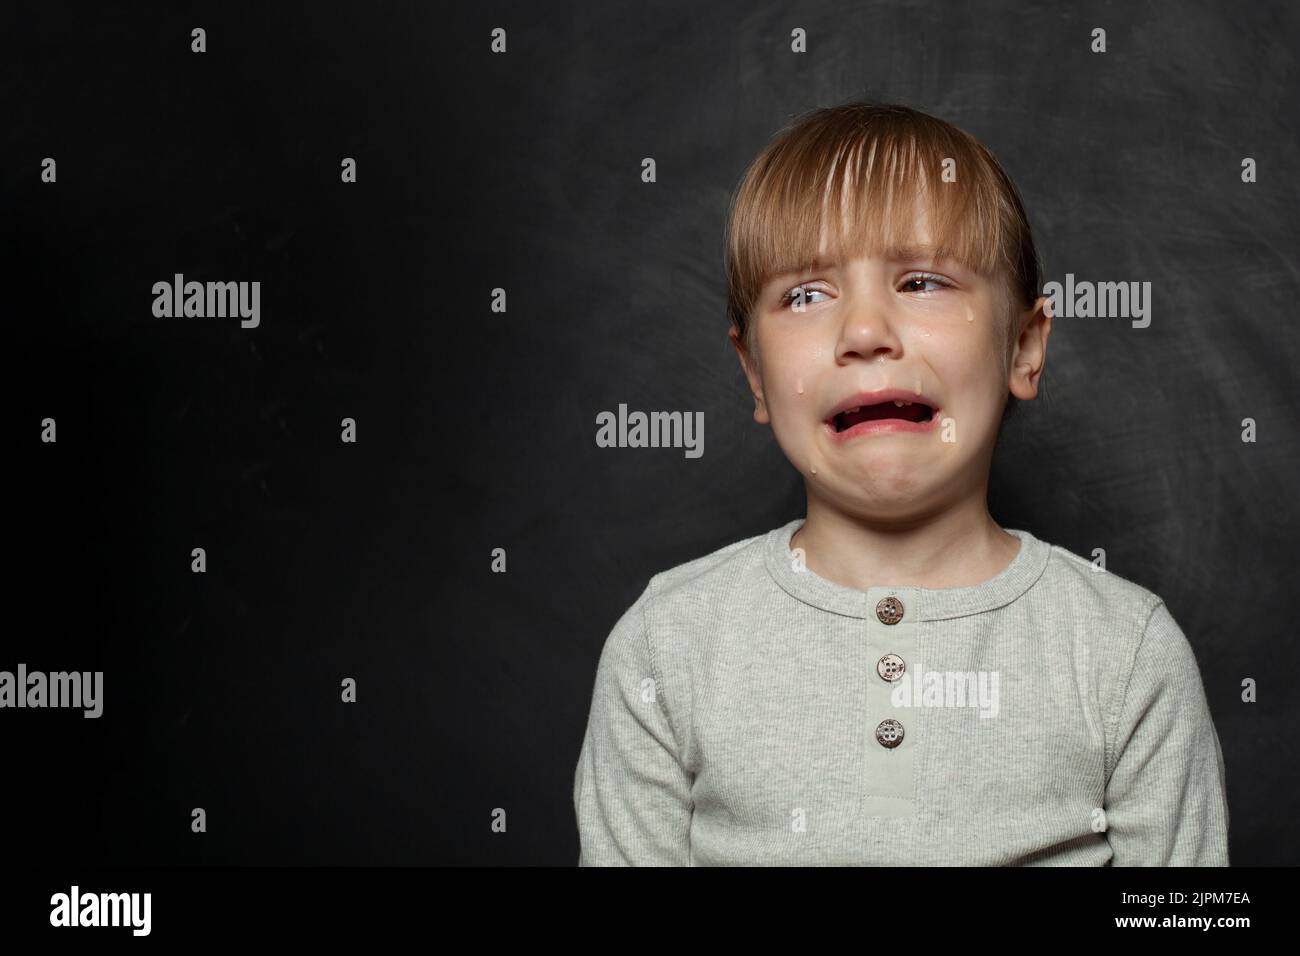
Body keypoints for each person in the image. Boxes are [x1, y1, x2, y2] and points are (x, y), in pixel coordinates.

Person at [573, 102, 1229, 866]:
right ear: (754, 374)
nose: (863, 333)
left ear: (1023, 346)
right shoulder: (665, 647)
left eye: (922, 281)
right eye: (806, 296)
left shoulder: (1126, 653)